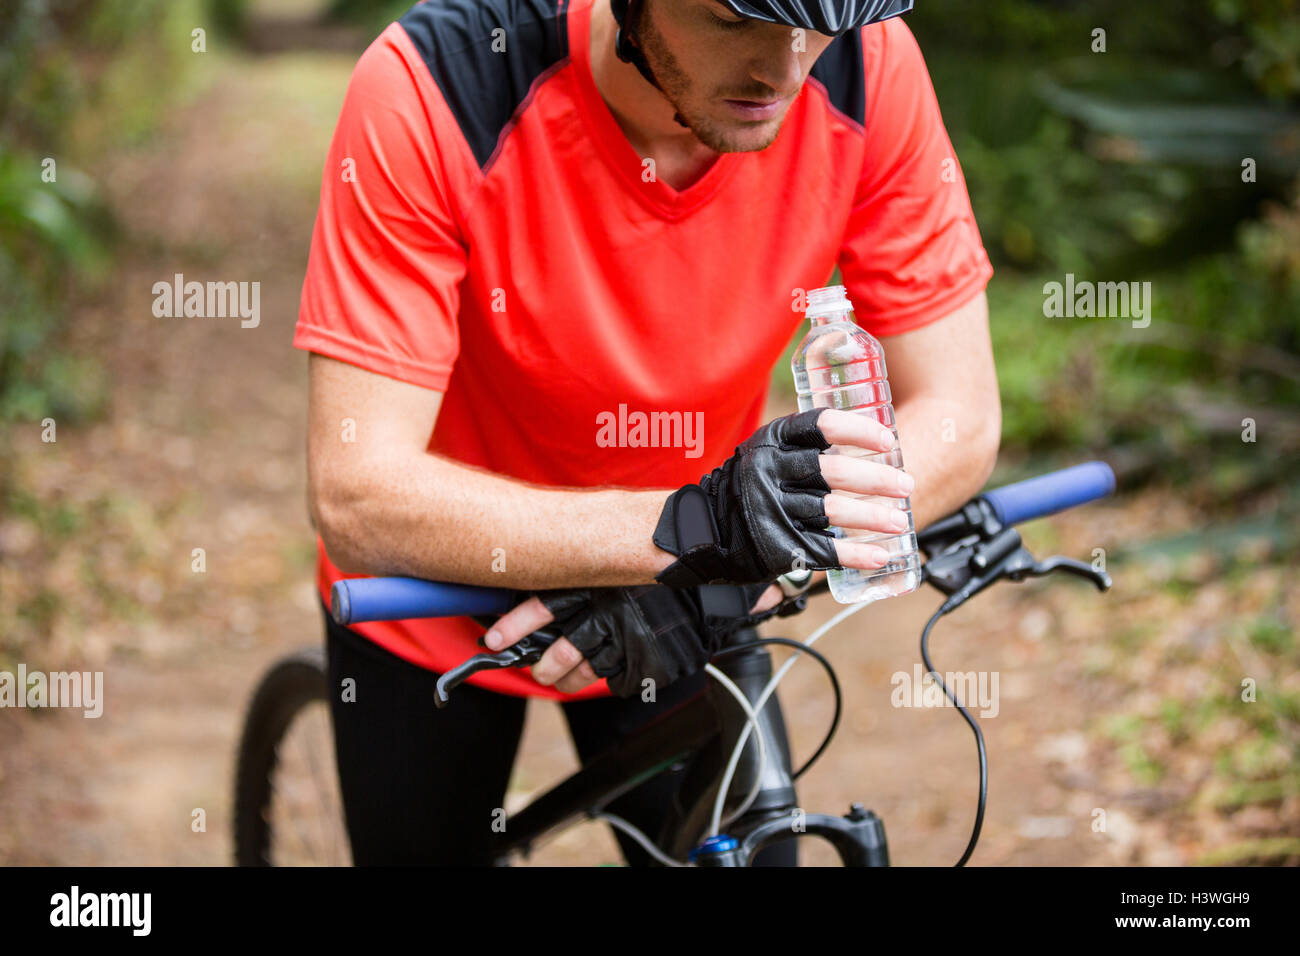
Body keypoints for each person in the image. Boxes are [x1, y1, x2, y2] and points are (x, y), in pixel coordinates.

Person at [293, 0, 1001, 865]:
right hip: (437, 601)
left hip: (687, 600)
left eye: (814, 27)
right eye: (731, 20)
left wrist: (735, 558)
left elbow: (959, 418)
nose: (784, 69)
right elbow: (356, 492)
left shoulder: (866, 64)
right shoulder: (437, 84)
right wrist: (690, 535)